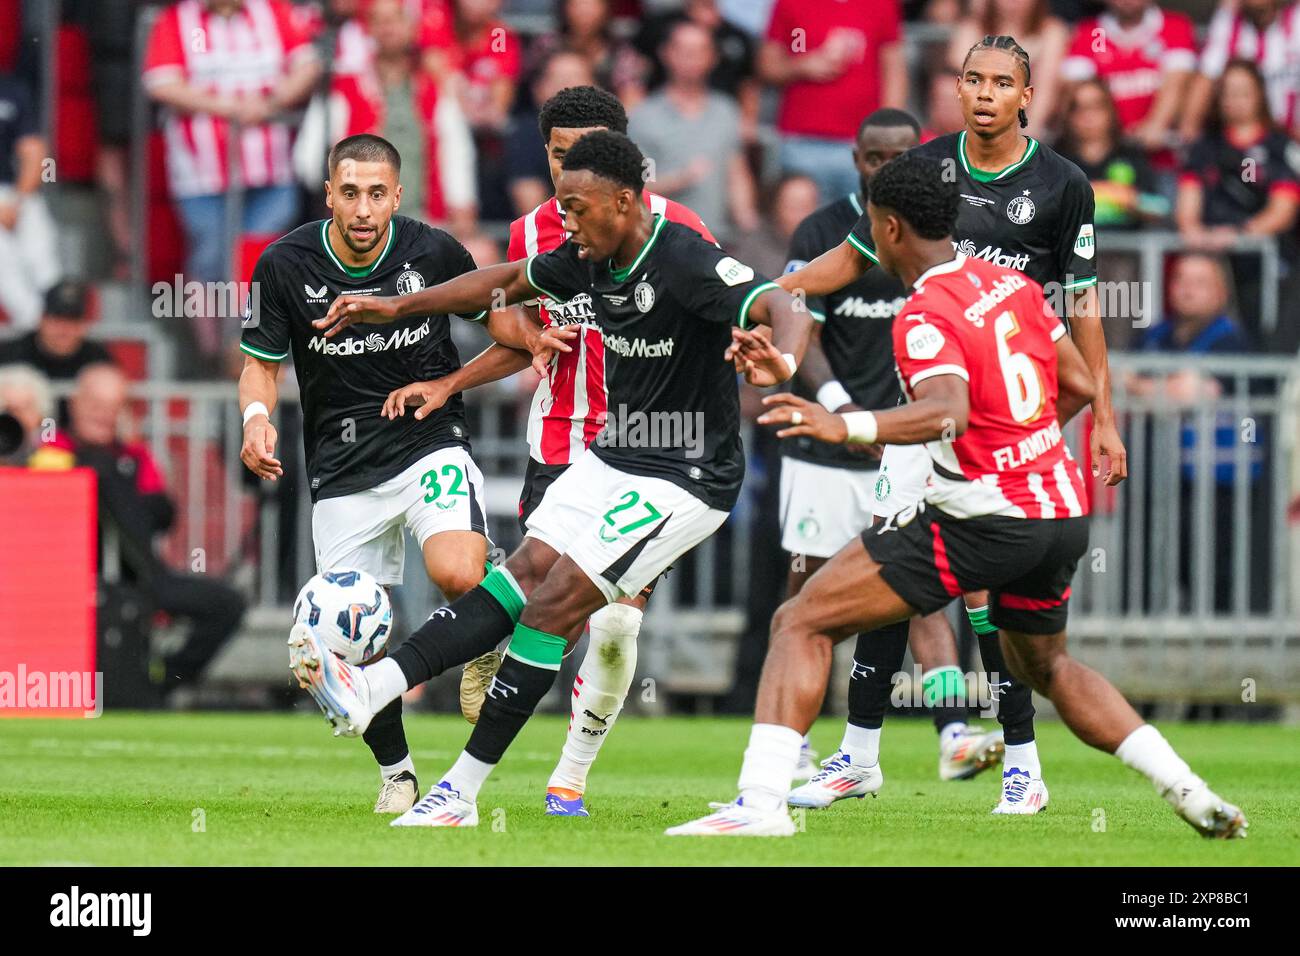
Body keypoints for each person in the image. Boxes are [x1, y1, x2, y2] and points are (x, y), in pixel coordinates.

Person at [666, 152, 1247, 840]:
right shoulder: (1013, 285)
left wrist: (842, 423)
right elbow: (1081, 384)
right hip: (1059, 509)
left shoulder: (921, 315)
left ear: (886, 229)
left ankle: (761, 806)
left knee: (800, 621)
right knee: (1049, 665)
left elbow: (949, 413)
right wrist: (1022, 447)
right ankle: (1188, 789)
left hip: (984, 516)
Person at [288, 130, 811, 828]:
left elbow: (786, 304)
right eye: (562, 206)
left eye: (578, 208)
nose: (567, 222)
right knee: (523, 572)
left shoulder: (684, 258)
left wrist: (783, 360)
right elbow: (501, 281)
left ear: (625, 203)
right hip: (616, 457)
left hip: (686, 476)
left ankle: (460, 794)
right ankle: (376, 684)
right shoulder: (590, 257)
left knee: (554, 605)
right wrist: (397, 305)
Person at [776, 34, 1131, 812]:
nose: (984, 93)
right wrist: (768, 297)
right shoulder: (925, 169)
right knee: (888, 563)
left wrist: (1101, 416)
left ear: (1026, 96)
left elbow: (1083, 309)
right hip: (933, 397)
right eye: (973, 78)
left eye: (1002, 82)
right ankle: (859, 754)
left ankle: (1023, 764)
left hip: (1010, 413)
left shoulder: (1063, 184)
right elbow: (850, 255)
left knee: (1000, 596)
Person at [378, 87, 718, 818]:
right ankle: (474, 679)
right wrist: (474, 367)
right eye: (560, 155)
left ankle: (568, 777)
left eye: (587, 153)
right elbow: (511, 323)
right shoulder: (536, 230)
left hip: (648, 450)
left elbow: (713, 322)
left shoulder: (683, 231)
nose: (571, 173)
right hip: (562, 438)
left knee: (618, 617)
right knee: (540, 595)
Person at [237, 133, 548, 815]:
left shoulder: (433, 253)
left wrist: (449, 382)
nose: (363, 207)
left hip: (426, 439)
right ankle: (398, 774)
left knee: (459, 574)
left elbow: (515, 339)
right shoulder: (285, 264)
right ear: (329, 195)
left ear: (397, 196)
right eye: (350, 192)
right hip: (341, 465)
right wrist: (256, 418)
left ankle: (484, 617)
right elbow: (261, 361)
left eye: (377, 193)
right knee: (350, 637)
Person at [778, 109, 1006, 813]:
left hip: (916, 443)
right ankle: (799, 744)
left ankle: (952, 732)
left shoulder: (941, 234)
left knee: (920, 595)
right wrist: (846, 408)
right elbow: (795, 317)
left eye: (901, 155)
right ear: (856, 158)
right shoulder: (826, 233)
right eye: (876, 157)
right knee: (809, 593)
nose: (887, 168)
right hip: (830, 440)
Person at [40, 364, 248, 698]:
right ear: (76, 404)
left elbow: (162, 515)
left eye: (113, 406)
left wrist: (116, 470)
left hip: (141, 577)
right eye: (96, 404)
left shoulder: (134, 455)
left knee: (226, 604)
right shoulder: (53, 451)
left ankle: (162, 680)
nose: (104, 415)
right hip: (69, 581)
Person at [143, 0, 321, 358]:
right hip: (201, 170)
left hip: (271, 163)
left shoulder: (273, 11)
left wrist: (270, 101)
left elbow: (309, 64)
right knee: (212, 255)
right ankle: (215, 351)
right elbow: (161, 82)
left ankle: (248, 345)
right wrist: (229, 108)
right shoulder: (178, 20)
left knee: (260, 253)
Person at [294, 0, 478, 234]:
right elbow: (308, 159)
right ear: (368, 29)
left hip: (425, 222)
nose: (388, 28)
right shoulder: (343, 88)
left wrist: (461, 204)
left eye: (395, 19)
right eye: (380, 21)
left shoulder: (436, 90)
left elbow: (456, 153)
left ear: (412, 27)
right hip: (359, 226)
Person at [1175, 59, 1300, 344]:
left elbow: (1283, 210)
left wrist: (1240, 235)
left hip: (1268, 266)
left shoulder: (1279, 145)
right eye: (1228, 92)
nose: (1235, 100)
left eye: (1244, 92)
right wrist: (1197, 235)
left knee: (1265, 335)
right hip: (1215, 263)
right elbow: (1187, 210)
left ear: (1259, 95)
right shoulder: (1204, 147)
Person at [758, 0, 907, 201]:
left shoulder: (882, 4)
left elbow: (894, 70)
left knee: (861, 227)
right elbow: (767, 66)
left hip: (862, 144)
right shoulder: (790, 3)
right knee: (805, 228)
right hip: (802, 142)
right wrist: (802, 66)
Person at [629, 20, 758, 242]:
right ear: (666, 53)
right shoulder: (643, 117)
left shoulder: (726, 110)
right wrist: (681, 179)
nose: (692, 58)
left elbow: (736, 171)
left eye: (700, 50)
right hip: (661, 240)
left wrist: (748, 221)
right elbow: (638, 185)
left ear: (713, 57)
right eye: (684, 50)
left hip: (718, 239)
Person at [1060, 0, 1197, 158]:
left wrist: (1156, 124)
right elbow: (1077, 93)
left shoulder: (1175, 26)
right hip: (1106, 156)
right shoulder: (1090, 32)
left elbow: (1177, 84)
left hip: (1160, 156)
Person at [1055, 79, 1168, 232]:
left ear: (1110, 110)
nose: (1087, 116)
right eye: (1078, 108)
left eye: (1096, 106)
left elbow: (1161, 208)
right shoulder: (1055, 160)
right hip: (1070, 253)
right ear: (1068, 115)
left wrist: (1133, 200)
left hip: (1126, 251)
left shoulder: (1131, 155)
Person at [1182, 0, 1300, 144]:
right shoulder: (1229, 21)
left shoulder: (1295, 20)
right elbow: (1205, 78)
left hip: (1292, 140)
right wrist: (1189, 127)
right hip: (1244, 142)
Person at [946, 0, 1068, 137]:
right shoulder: (971, 28)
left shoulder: (1052, 31)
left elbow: (1047, 87)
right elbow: (959, 77)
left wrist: (1029, 130)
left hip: (1027, 121)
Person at [0, 69, 59, 331]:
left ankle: (59, 312)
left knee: (39, 245)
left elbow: (35, 151)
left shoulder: (12, 90)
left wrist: (18, 201)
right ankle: (35, 327)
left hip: (12, 191)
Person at [504, 51, 596, 218]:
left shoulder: (612, 135)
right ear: (538, 90)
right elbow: (532, 210)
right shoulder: (526, 136)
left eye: (577, 78)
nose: (569, 88)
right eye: (559, 80)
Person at [0, 280, 113, 382]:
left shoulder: (98, 360)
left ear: (84, 325)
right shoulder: (11, 356)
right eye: (57, 320)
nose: (64, 329)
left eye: (72, 321)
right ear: (41, 320)